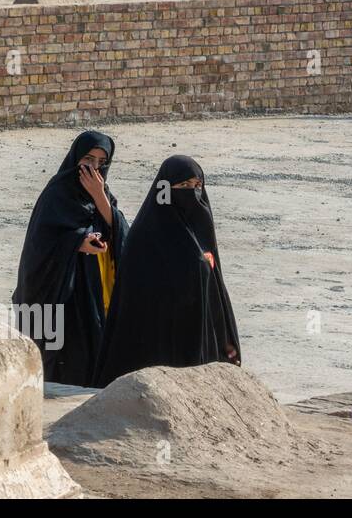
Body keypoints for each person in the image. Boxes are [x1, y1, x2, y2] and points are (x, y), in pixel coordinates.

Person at [93, 156, 241, 387]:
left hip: (196, 337)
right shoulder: (144, 236)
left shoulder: (200, 227)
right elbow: (138, 301)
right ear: (164, 189)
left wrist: (224, 339)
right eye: (182, 186)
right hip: (155, 344)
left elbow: (214, 288)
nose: (191, 193)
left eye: (197, 186)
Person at [14, 131, 129, 387]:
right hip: (64, 294)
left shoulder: (103, 193)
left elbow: (121, 233)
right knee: (66, 360)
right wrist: (77, 243)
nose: (94, 168)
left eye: (101, 162)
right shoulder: (56, 194)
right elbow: (40, 244)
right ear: (76, 158)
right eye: (88, 159)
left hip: (96, 293)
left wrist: (99, 195)